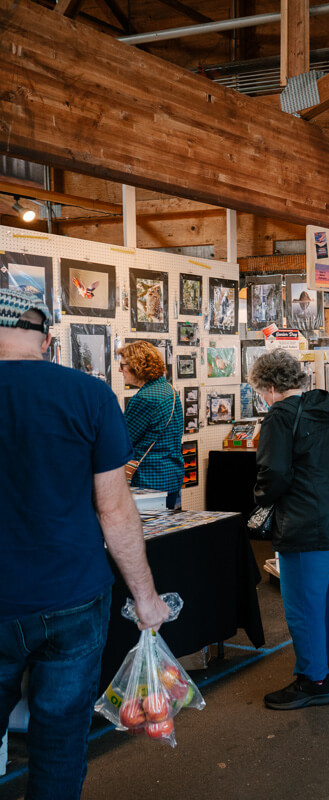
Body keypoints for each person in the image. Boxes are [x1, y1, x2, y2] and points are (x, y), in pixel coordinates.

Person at [0, 289, 170, 798]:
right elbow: (114, 509)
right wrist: (145, 596)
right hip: (71, 592)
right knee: (60, 739)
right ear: (48, 339)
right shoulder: (89, 395)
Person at [251, 349, 329, 709]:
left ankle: (314, 680)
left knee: (304, 603)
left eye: (261, 390)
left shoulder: (279, 417)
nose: (262, 396)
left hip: (307, 522)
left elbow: (273, 474)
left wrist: (260, 498)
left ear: (270, 386)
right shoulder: (326, 408)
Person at [118, 340, 184, 509]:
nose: (120, 370)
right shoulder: (168, 390)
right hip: (171, 474)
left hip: (148, 479)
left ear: (137, 366)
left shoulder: (144, 398)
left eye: (123, 365)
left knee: (146, 533)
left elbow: (123, 441)